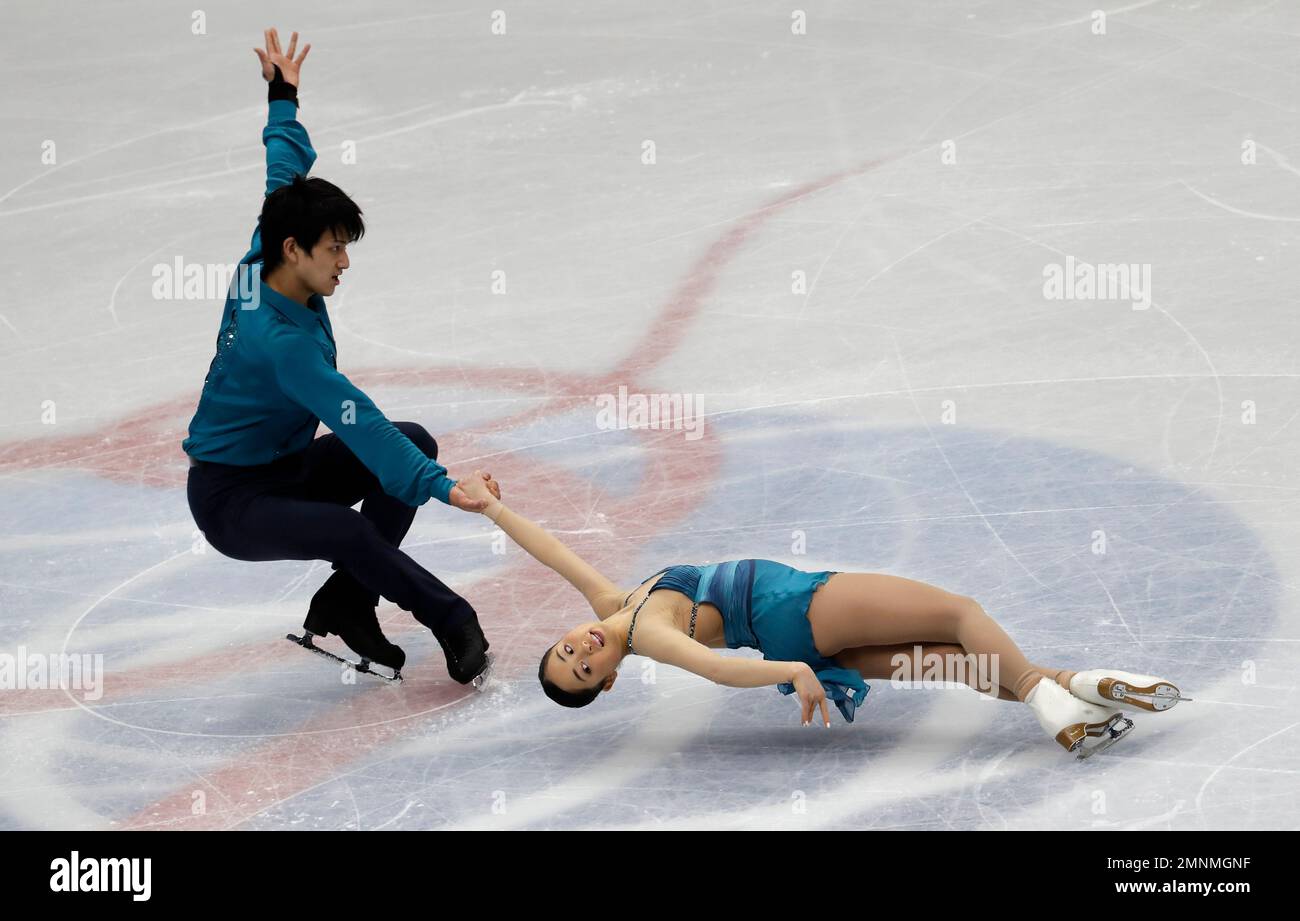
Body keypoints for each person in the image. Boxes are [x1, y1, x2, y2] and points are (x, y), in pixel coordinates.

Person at [455, 470, 1186, 758]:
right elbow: (712, 667)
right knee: (961, 611)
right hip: (801, 606)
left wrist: (494, 507)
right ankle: (1054, 708)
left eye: (566, 649)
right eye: (586, 669)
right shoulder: (646, 630)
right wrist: (797, 667)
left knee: (957, 661)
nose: (583, 648)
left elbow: (551, 550)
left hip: (803, 634)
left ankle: (1078, 682)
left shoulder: (614, 605)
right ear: (609, 680)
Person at [181, 29, 499, 685]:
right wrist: (446, 489)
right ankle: (454, 618)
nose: (345, 261)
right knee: (349, 526)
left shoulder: (260, 255)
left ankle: (347, 602)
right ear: (295, 249)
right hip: (232, 499)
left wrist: (281, 95)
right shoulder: (282, 345)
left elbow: (282, 172)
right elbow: (360, 422)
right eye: (334, 249)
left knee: (417, 440)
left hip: (284, 466)